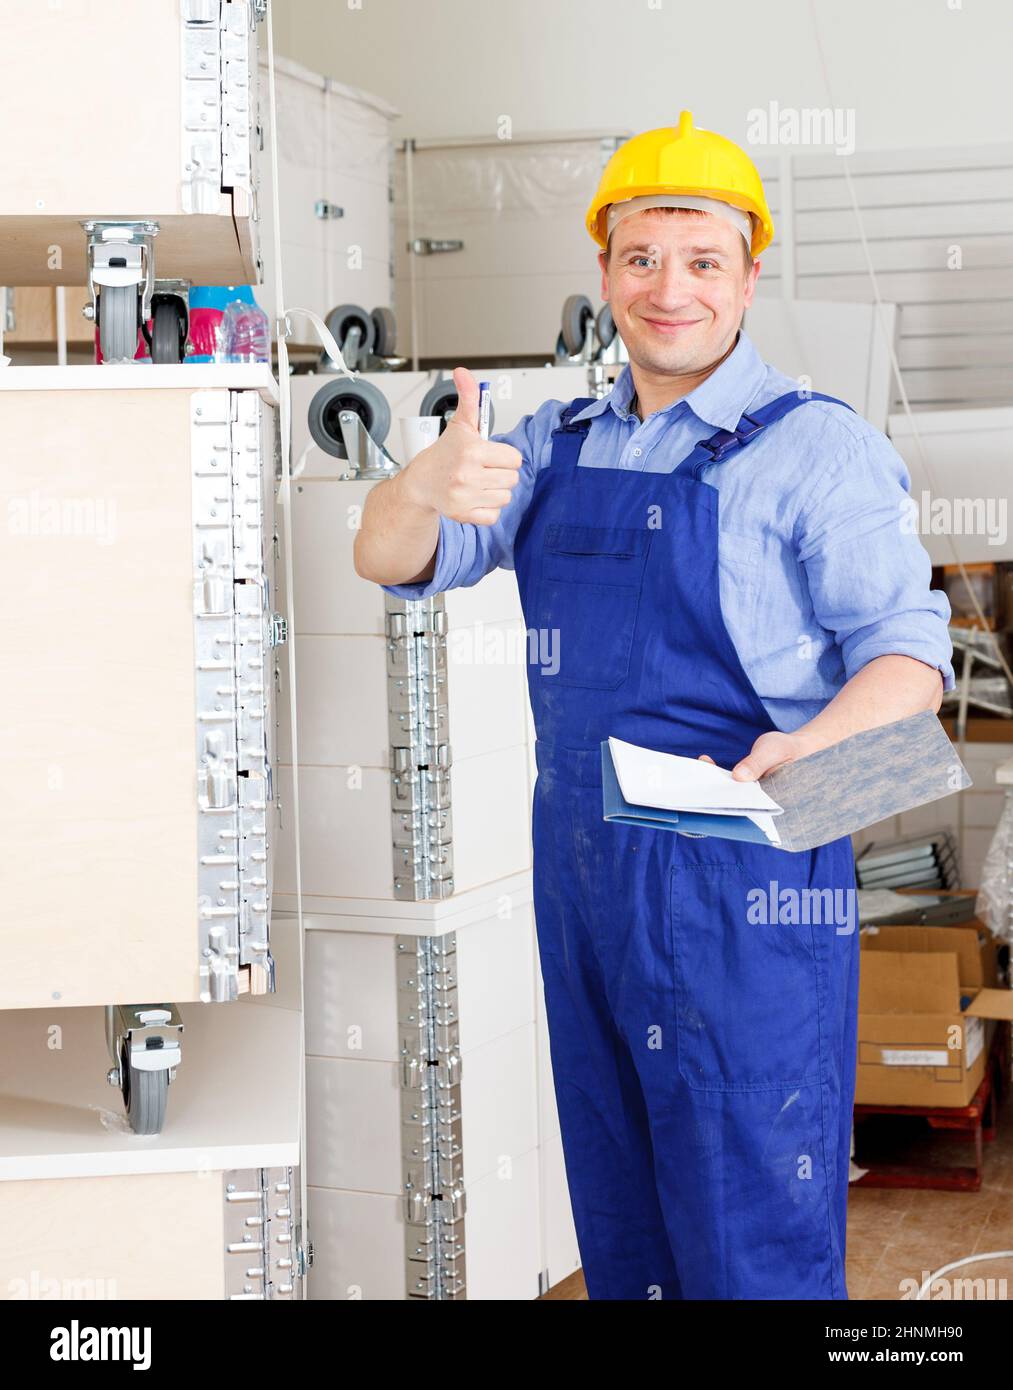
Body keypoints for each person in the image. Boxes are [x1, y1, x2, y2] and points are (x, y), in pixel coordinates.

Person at [353, 112, 954, 1299]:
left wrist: (813, 750)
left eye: (699, 260)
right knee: (622, 1227)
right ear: (604, 271)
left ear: (746, 274)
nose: (666, 289)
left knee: (749, 1240)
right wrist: (418, 480)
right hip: (585, 893)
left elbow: (910, 667)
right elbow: (387, 558)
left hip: (747, 900)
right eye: (639, 258)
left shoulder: (816, 450)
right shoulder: (554, 443)